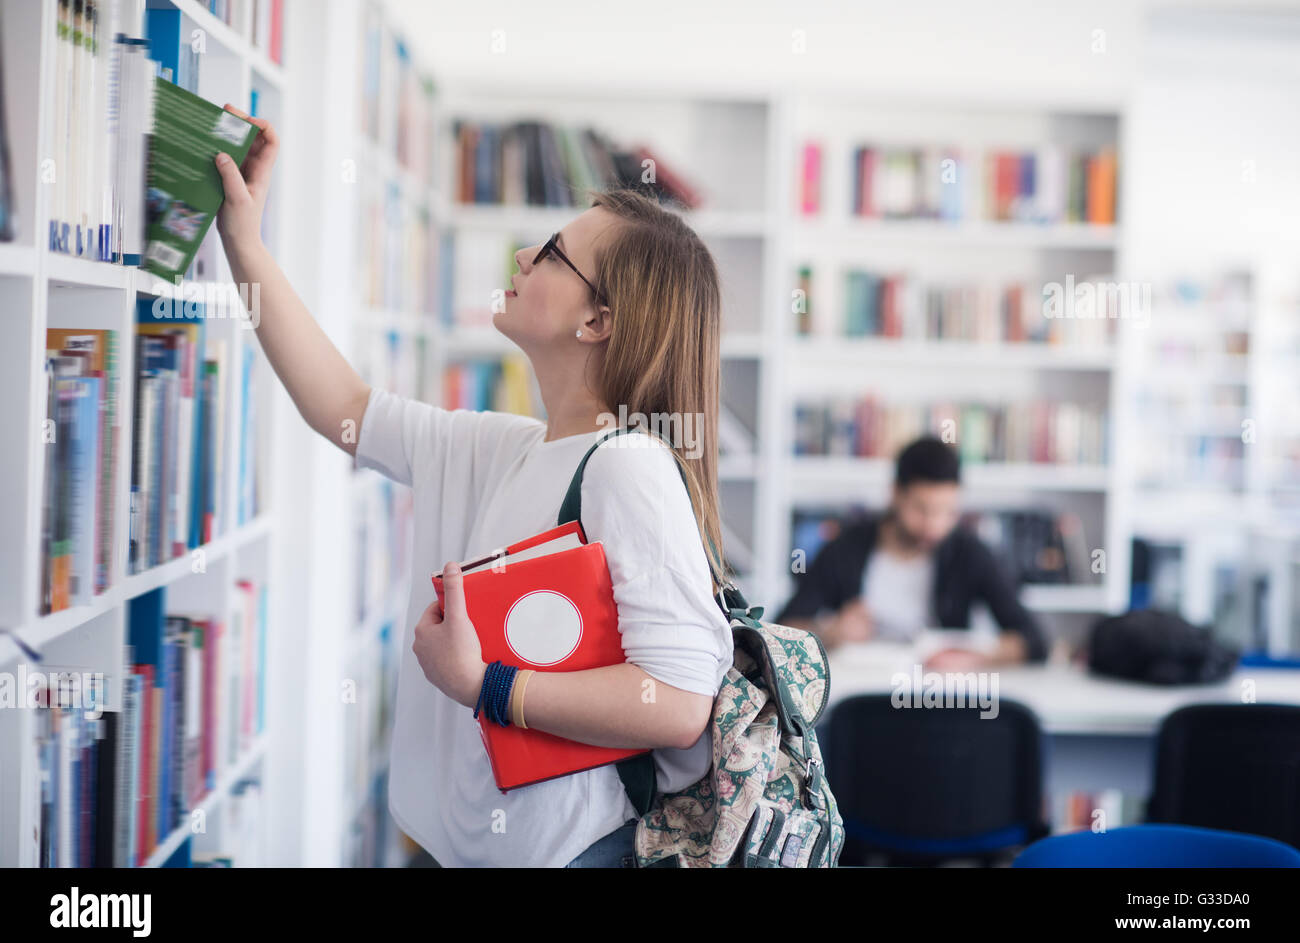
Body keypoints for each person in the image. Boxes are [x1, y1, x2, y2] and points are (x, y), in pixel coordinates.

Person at [213, 106, 733, 867]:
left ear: (598, 320)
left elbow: (681, 702)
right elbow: (346, 411)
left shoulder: (629, 467)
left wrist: (485, 683)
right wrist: (244, 243)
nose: (523, 256)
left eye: (553, 254)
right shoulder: (507, 447)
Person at [776, 436, 1048, 670]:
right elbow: (781, 631)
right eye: (922, 510)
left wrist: (979, 656)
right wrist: (830, 632)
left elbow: (1034, 641)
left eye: (947, 512)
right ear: (896, 494)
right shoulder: (846, 548)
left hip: (940, 698)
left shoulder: (970, 553)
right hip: (862, 693)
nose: (934, 525)